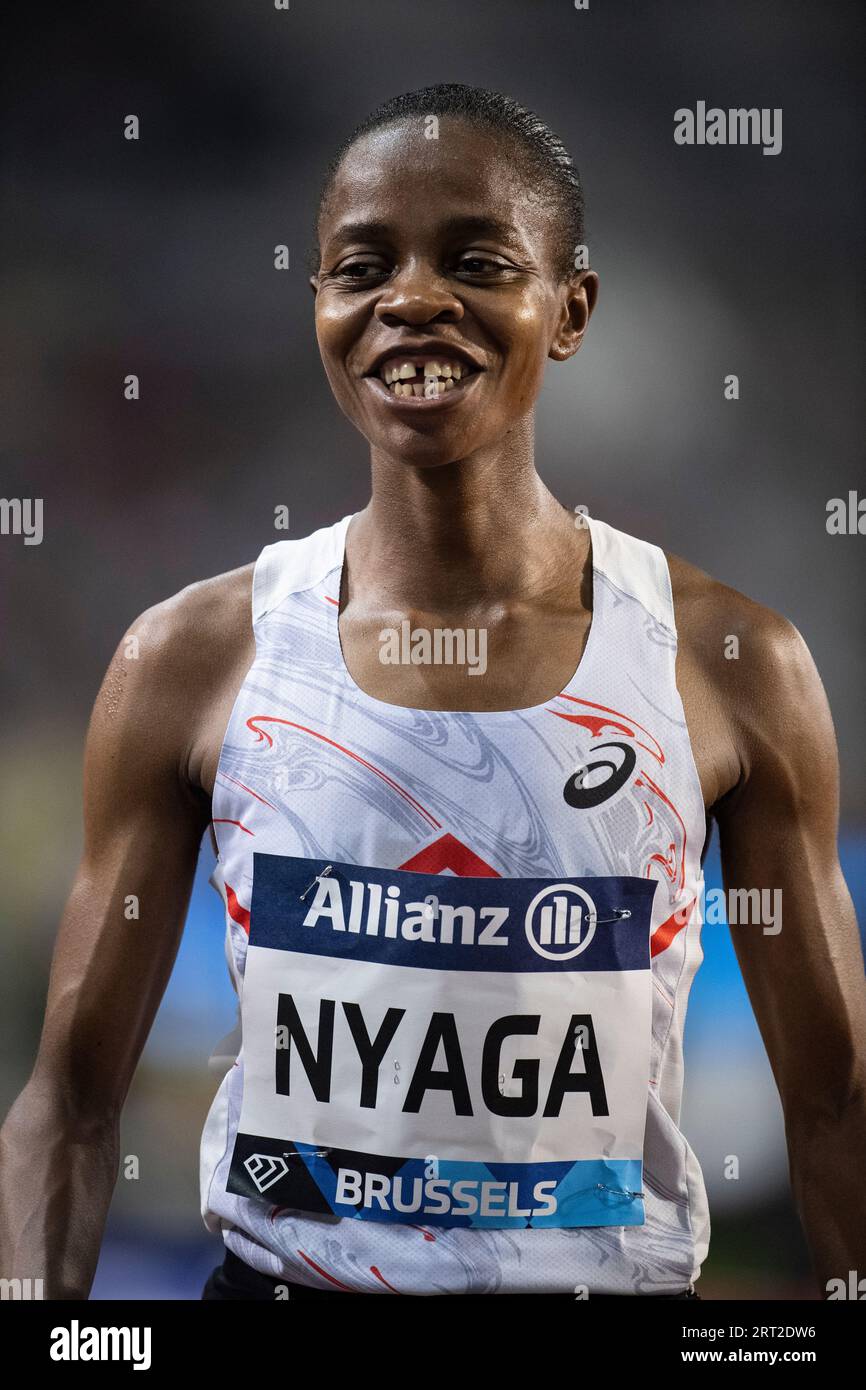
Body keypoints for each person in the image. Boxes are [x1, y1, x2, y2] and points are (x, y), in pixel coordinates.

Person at [1, 83, 864, 1302]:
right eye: (362, 266)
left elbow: (832, 1105)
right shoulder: (193, 658)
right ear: (320, 310)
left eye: (473, 258)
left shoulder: (726, 665)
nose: (409, 297)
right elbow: (71, 1103)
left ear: (569, 310)